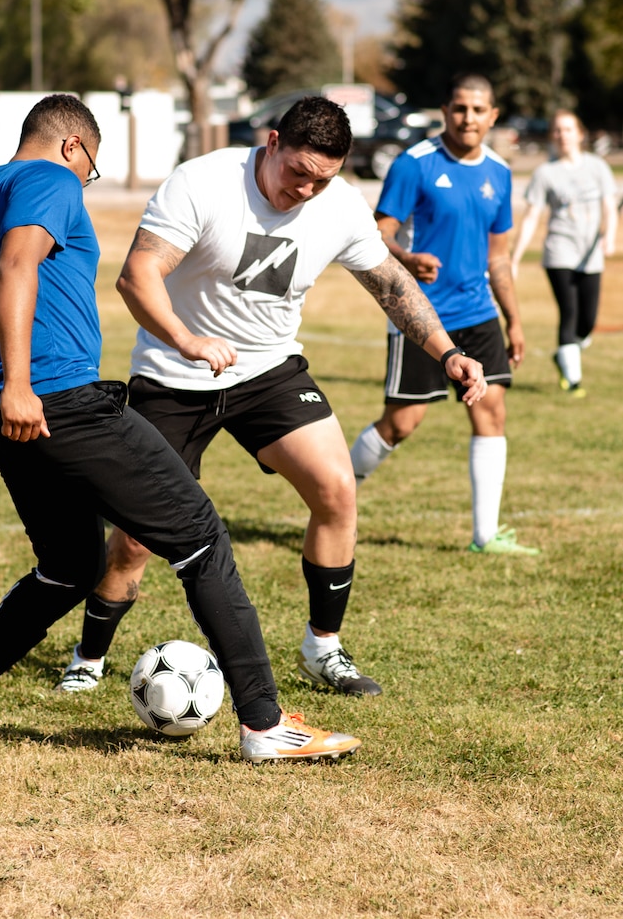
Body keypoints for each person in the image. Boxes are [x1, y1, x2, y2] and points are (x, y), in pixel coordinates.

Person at [0, 92, 362, 764]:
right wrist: (21, 385)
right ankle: (266, 726)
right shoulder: (49, 178)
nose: (85, 181)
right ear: (73, 145)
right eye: (90, 168)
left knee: (71, 566)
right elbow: (16, 266)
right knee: (200, 537)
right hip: (56, 402)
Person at [56, 95, 486, 698]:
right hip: (175, 375)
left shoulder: (338, 204)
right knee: (137, 538)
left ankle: (323, 648)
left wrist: (447, 353)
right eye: (298, 173)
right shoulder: (203, 182)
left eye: (322, 180)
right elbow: (138, 275)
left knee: (336, 489)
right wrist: (187, 340)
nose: (306, 191)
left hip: (268, 372)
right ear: (273, 142)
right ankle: (89, 657)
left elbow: (391, 283)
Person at [350, 73, 540, 557]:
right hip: (421, 316)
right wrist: (407, 259)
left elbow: (499, 257)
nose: (468, 118)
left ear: (493, 116)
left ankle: (485, 536)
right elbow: (378, 234)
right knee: (402, 423)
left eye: (478, 110)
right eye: (459, 108)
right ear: (445, 111)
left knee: (491, 410)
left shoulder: (499, 173)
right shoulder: (414, 164)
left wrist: (514, 320)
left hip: (478, 311)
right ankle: (336, 496)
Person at [511, 109, 618, 396]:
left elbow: (610, 207)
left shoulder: (597, 167)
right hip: (559, 251)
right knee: (569, 312)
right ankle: (573, 381)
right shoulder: (545, 173)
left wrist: (610, 237)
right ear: (552, 136)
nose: (563, 135)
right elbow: (531, 217)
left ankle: (564, 356)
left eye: (568, 129)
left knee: (588, 321)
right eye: (557, 130)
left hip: (590, 254)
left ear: (580, 134)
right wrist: (515, 258)